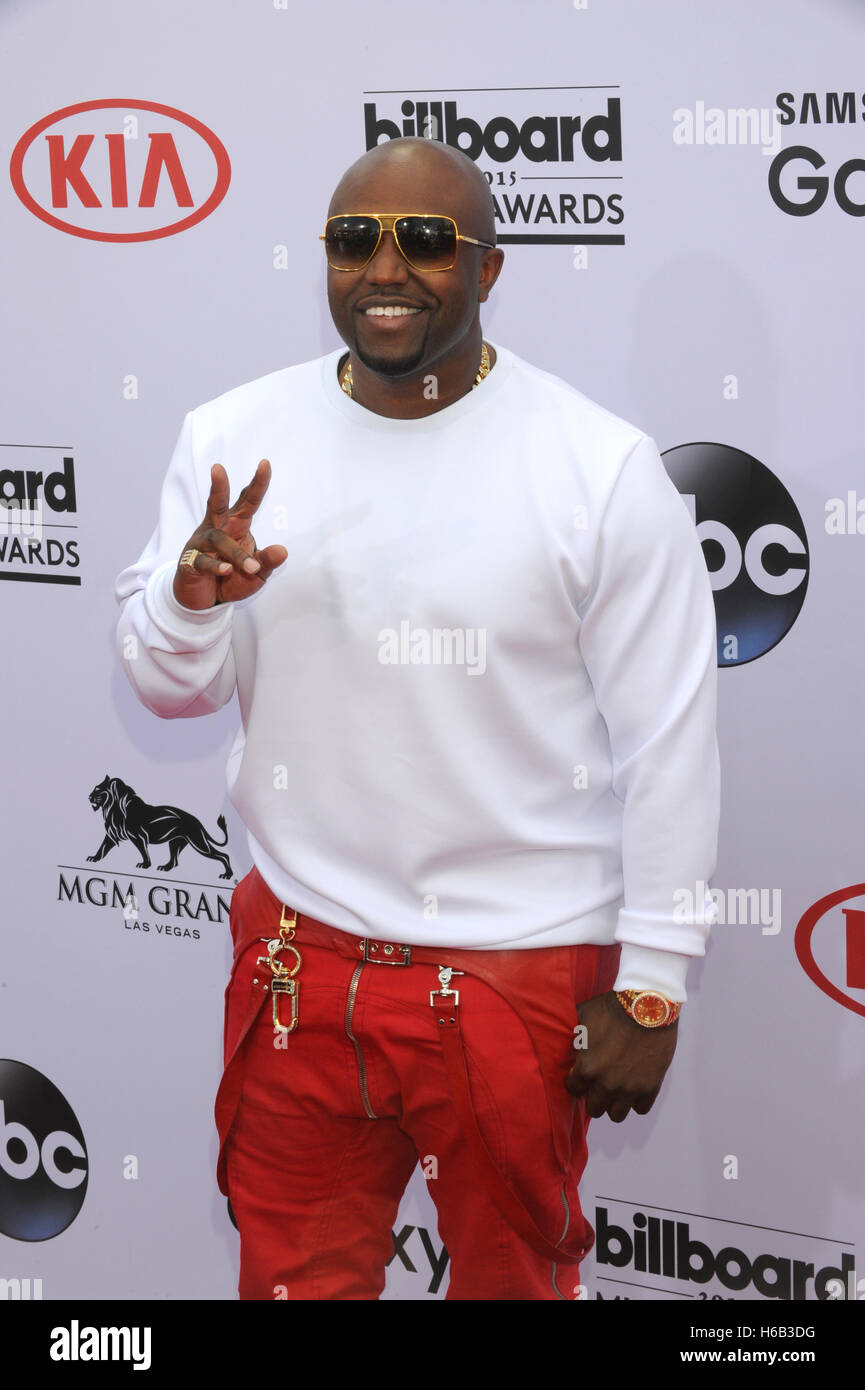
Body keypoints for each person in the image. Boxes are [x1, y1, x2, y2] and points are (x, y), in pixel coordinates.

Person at [115, 136, 720, 1301]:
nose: (385, 266)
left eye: (426, 241)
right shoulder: (231, 437)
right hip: (299, 960)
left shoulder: (597, 467)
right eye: (356, 239)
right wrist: (190, 599)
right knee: (292, 1282)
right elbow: (164, 686)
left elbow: (669, 742)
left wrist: (653, 979)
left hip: (515, 982)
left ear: (487, 270)